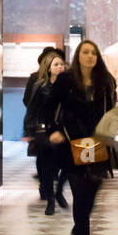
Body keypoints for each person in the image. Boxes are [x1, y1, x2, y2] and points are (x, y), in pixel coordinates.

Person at [48, 39, 118, 235]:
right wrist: (55, 131)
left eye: (93, 53)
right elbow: (49, 106)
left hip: (96, 142)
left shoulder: (106, 81)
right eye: (85, 52)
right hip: (72, 142)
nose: (90, 56)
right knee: (80, 193)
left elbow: (111, 109)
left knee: (91, 191)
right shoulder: (66, 80)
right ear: (78, 56)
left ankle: (79, 227)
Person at [25, 50, 69, 215]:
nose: (59, 67)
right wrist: (30, 130)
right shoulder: (41, 85)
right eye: (56, 65)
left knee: (67, 165)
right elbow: (32, 108)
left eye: (61, 64)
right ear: (49, 68)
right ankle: (50, 200)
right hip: (46, 130)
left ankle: (59, 193)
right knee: (47, 168)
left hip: (64, 129)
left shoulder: (68, 86)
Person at [22, 45, 59, 193]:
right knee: (44, 153)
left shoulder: (61, 79)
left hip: (50, 123)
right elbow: (28, 101)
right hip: (42, 123)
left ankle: (47, 184)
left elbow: (26, 100)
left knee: (45, 154)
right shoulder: (36, 79)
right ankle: (46, 185)